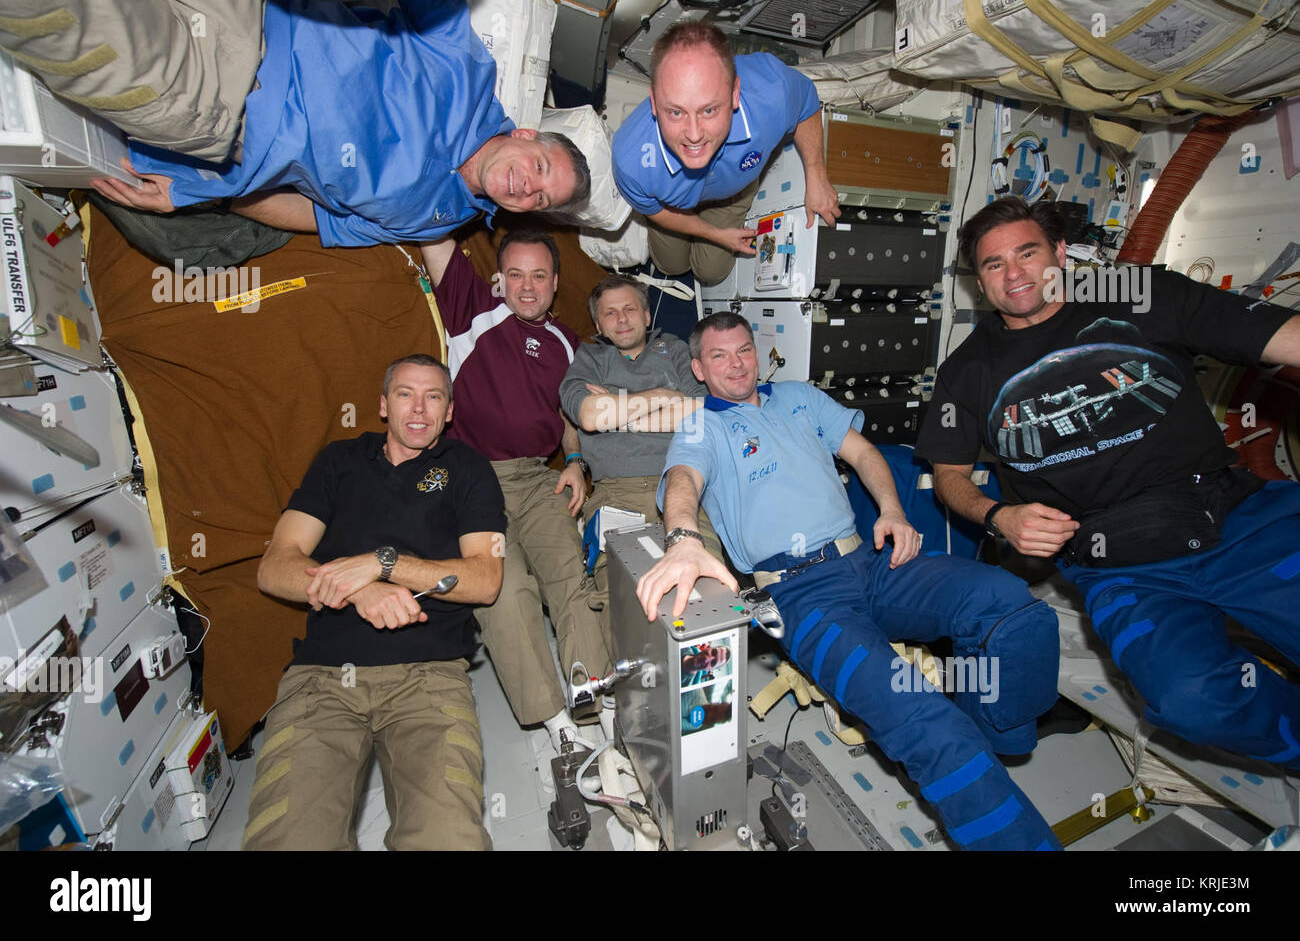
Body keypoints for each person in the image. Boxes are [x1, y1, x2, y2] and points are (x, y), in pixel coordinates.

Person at [636, 311, 1064, 850]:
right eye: (719, 356)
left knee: (1009, 602)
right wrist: (682, 540)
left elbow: (862, 452)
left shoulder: (797, 396)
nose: (736, 363)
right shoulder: (702, 426)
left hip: (870, 560)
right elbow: (683, 480)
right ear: (698, 368)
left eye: (743, 349)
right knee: (923, 719)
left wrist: (893, 511)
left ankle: (995, 738)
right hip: (801, 594)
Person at [915, 196, 1300, 769]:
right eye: (994, 264)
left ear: (1060, 253)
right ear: (979, 281)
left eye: (1027, 252)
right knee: (1194, 702)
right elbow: (946, 473)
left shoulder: (1142, 297)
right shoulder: (966, 370)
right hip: (1117, 563)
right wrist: (999, 517)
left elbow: (1284, 337)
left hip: (1233, 518)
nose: (1014, 273)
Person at [87, 0, 590, 247]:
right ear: (527, 135)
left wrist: (213, 196)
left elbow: (317, 217)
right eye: (541, 169)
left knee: (87, 33)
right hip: (261, 27)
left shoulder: (434, 223)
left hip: (225, 136)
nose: (528, 189)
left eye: (541, 199)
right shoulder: (471, 71)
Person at [244, 354, 506, 850]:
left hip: (428, 676)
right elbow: (275, 567)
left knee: (449, 840)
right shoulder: (338, 461)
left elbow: (485, 579)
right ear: (383, 404)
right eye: (406, 393)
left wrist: (383, 563)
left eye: (434, 397)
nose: (419, 409)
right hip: (322, 678)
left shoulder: (469, 470)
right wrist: (360, 588)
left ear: (449, 411)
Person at [420, 231, 613, 754]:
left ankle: (592, 692)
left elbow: (567, 416)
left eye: (540, 276)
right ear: (499, 279)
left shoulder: (569, 343)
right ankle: (553, 719)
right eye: (517, 275)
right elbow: (431, 236)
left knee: (571, 572)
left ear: (555, 284)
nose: (527, 288)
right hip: (471, 479)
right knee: (506, 589)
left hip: (536, 477)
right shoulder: (471, 308)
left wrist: (574, 461)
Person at [611, 21, 840, 284]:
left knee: (711, 274)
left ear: (734, 94)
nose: (694, 135)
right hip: (671, 205)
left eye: (709, 110)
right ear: (654, 103)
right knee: (669, 266)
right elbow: (654, 209)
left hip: (730, 194)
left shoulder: (772, 91)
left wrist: (816, 175)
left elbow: (807, 103)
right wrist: (713, 233)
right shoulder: (630, 162)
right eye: (676, 112)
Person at [558, 274, 722, 610]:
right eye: (610, 313)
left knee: (707, 593)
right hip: (615, 491)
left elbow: (705, 410)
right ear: (598, 324)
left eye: (630, 309)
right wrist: (665, 395)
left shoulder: (676, 351)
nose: (621, 319)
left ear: (647, 317)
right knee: (620, 597)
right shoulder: (588, 358)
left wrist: (618, 410)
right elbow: (589, 416)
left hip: (681, 482)